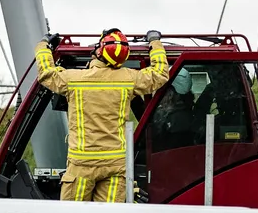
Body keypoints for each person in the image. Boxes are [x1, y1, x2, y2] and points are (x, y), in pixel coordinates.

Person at [35, 29, 170, 203]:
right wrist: (155, 42)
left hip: (81, 166)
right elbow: (159, 74)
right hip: (115, 165)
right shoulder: (128, 79)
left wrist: (43, 45)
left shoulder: (74, 80)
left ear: (99, 51)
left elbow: (46, 73)